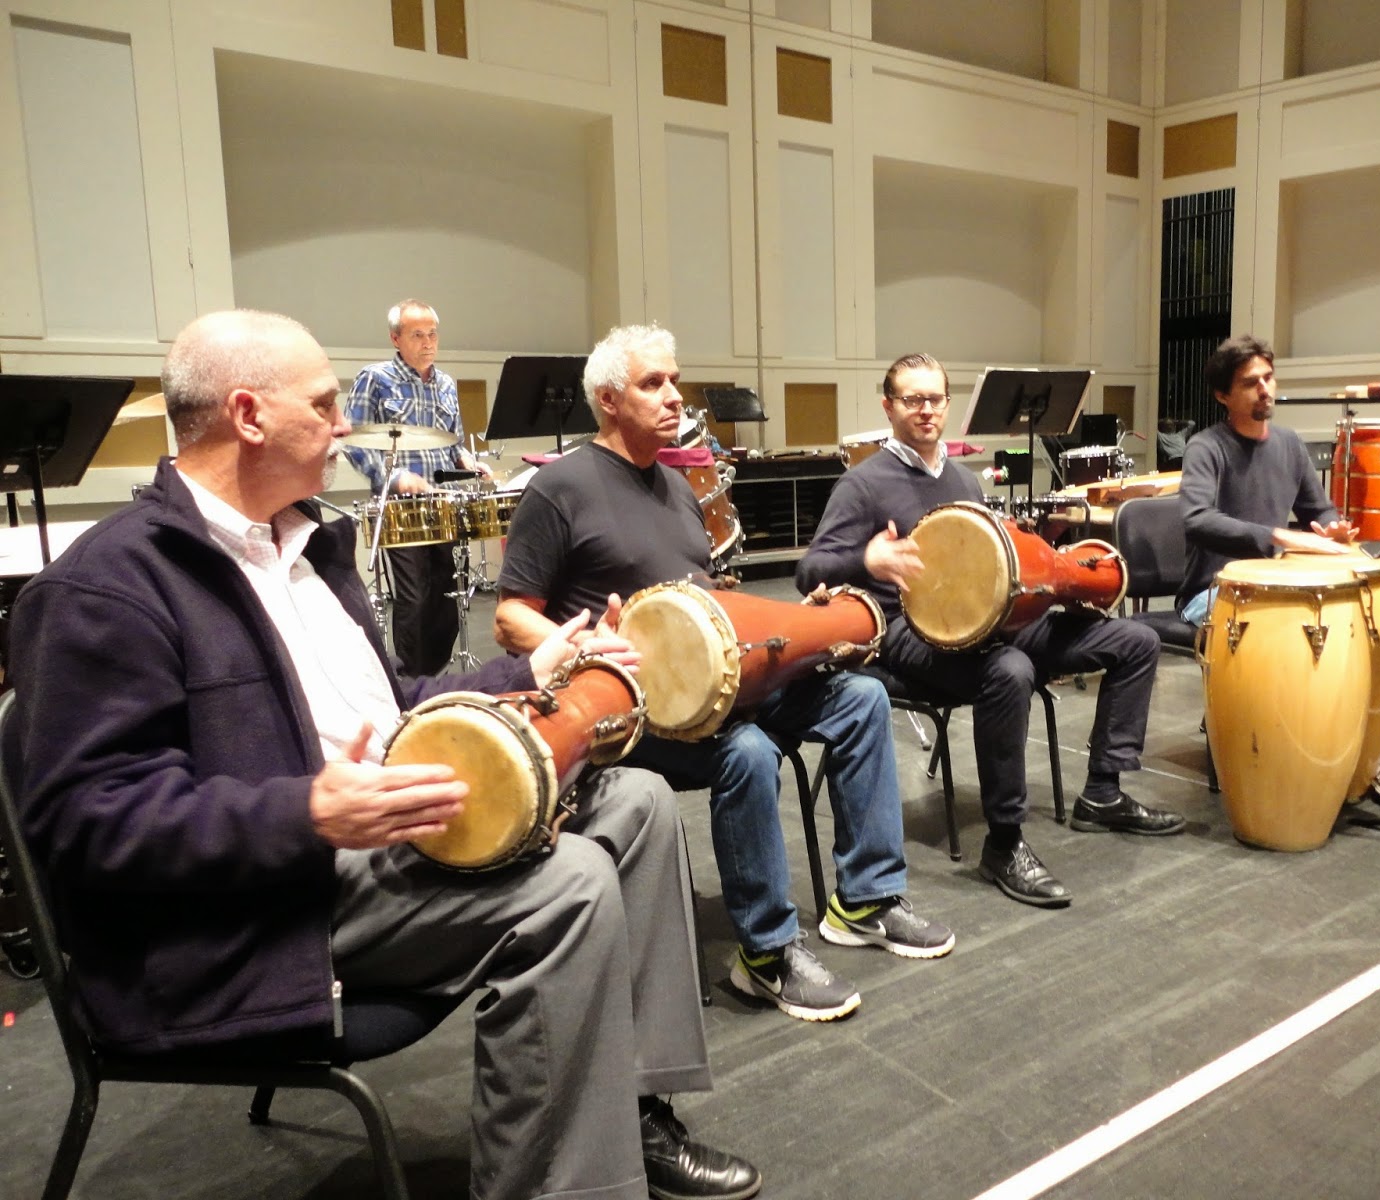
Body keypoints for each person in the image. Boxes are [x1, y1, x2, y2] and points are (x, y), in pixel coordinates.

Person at [4, 310, 758, 1200]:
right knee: (572, 882)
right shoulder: (106, 588)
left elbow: (395, 702)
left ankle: (639, 1111)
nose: (347, 424)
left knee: (634, 801)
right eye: (325, 405)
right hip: (265, 909)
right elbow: (84, 826)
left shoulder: (309, 549)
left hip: (373, 839)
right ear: (248, 415)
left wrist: (536, 664)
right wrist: (311, 811)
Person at [494, 325, 954, 1024]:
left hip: (715, 683)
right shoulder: (559, 489)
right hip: (636, 706)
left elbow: (707, 601)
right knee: (746, 751)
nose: (674, 395)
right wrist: (590, 647)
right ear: (609, 400)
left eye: (674, 379)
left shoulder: (679, 488)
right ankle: (765, 954)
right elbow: (511, 619)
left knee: (860, 696)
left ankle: (863, 899)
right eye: (654, 383)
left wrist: (798, 626)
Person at [797, 353, 1183, 911]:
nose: (926, 410)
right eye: (912, 399)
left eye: (935, 399)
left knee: (1134, 641)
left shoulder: (962, 479)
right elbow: (810, 571)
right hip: (910, 634)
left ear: (948, 405)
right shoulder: (863, 485)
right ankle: (1003, 842)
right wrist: (866, 558)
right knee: (1010, 670)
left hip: (991, 622)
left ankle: (1102, 791)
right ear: (889, 406)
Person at [1177, 334, 1380, 811]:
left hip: (1283, 584)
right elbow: (1196, 519)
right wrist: (1282, 536)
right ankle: (1292, 745)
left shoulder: (1288, 444)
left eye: (1268, 378)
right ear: (1223, 396)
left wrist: (1334, 530)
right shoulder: (1206, 448)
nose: (1264, 390)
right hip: (1214, 593)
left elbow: (1321, 508)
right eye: (1250, 383)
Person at [345, 299, 491, 675]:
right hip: (400, 507)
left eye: (432, 334)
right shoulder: (375, 378)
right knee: (414, 597)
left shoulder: (444, 384)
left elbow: (453, 442)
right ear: (396, 338)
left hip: (442, 503)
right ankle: (410, 680)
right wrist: (393, 479)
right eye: (417, 335)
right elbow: (352, 440)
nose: (428, 342)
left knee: (448, 593)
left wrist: (469, 463)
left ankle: (434, 673)